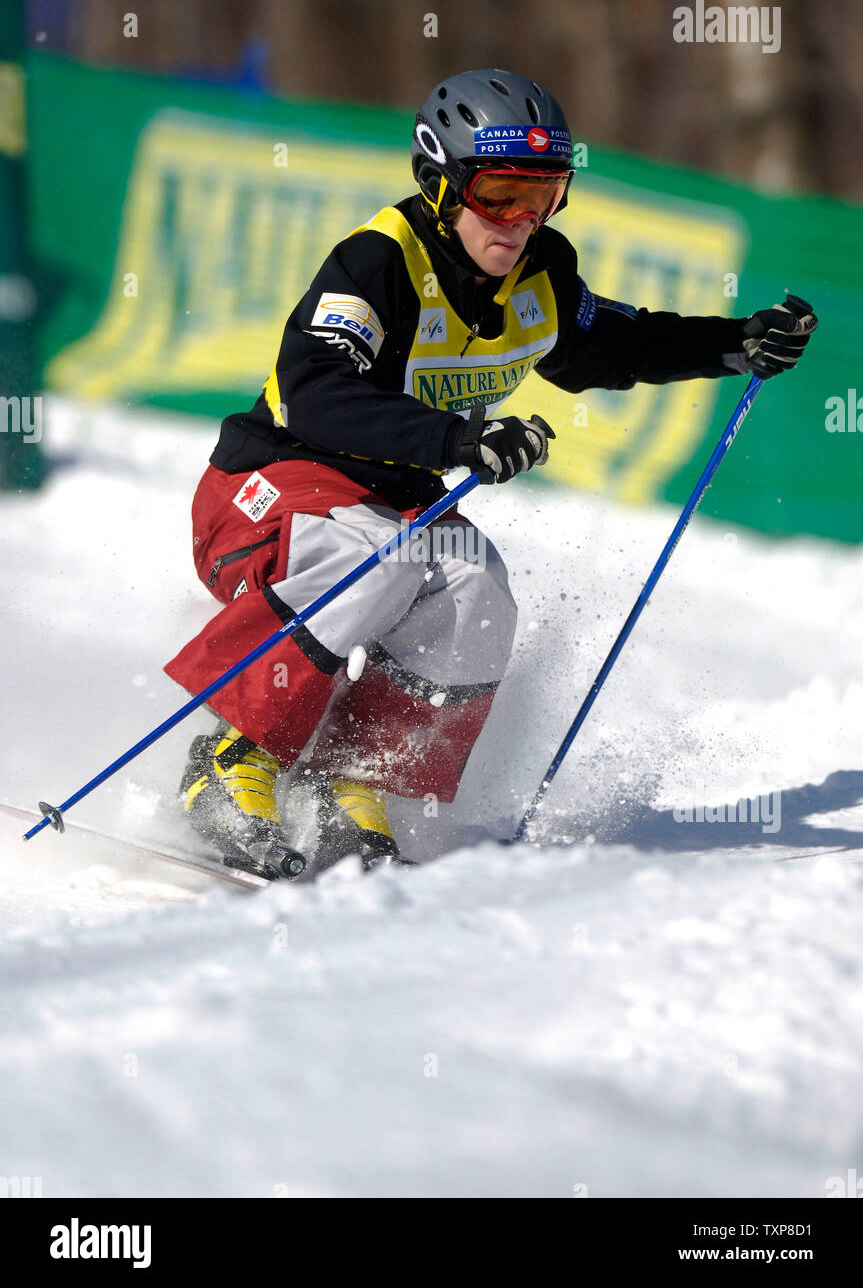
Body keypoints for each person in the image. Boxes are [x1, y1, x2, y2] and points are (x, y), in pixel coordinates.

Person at [164, 67, 818, 876]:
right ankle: (233, 759)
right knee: (378, 551)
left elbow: (611, 345)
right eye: (498, 192)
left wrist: (733, 342)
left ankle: (354, 785)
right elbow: (315, 392)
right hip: (266, 495)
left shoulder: (540, 271)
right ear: (439, 182)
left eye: (543, 195)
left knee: (478, 590)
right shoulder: (378, 263)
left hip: (390, 507)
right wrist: (455, 441)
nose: (519, 220)